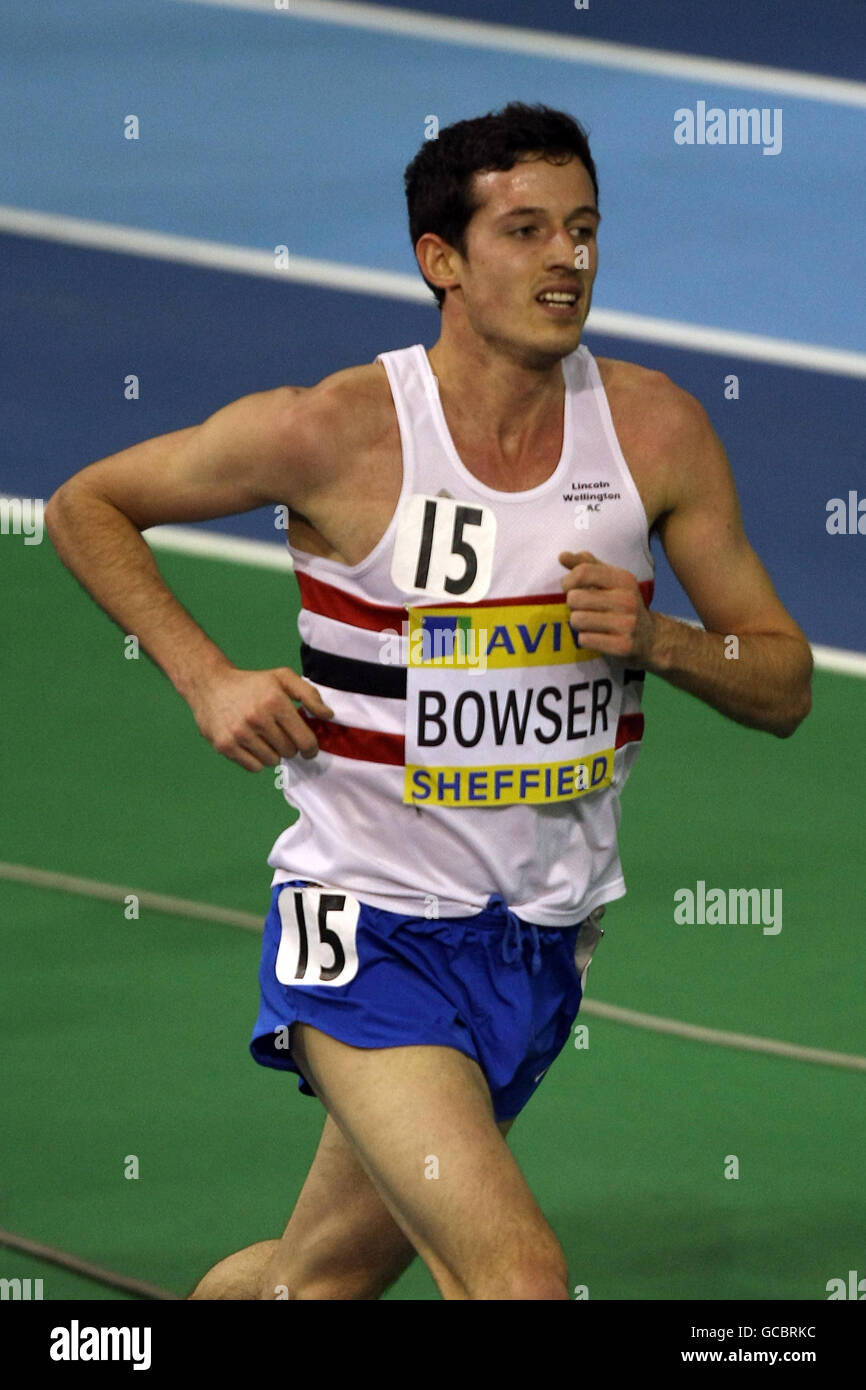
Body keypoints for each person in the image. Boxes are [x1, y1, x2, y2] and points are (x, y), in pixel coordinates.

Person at [44, 102, 812, 1302]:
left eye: (583, 228)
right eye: (525, 231)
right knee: (515, 1278)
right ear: (439, 261)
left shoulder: (656, 429)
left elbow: (781, 685)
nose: (567, 259)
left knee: (312, 1281)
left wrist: (660, 638)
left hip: (539, 945)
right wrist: (208, 677)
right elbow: (85, 504)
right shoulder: (335, 429)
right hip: (367, 928)